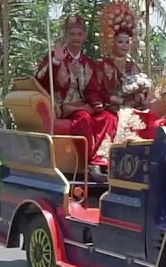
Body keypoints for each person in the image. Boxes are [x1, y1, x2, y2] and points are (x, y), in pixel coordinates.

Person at [34, 14, 116, 181]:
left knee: (108, 117)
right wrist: (56, 61)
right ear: (66, 36)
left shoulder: (89, 63)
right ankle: (88, 163)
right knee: (83, 118)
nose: (76, 38)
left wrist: (97, 104)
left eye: (79, 34)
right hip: (64, 105)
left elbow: (94, 89)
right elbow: (40, 79)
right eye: (72, 34)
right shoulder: (55, 57)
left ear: (84, 36)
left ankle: (100, 161)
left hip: (85, 105)